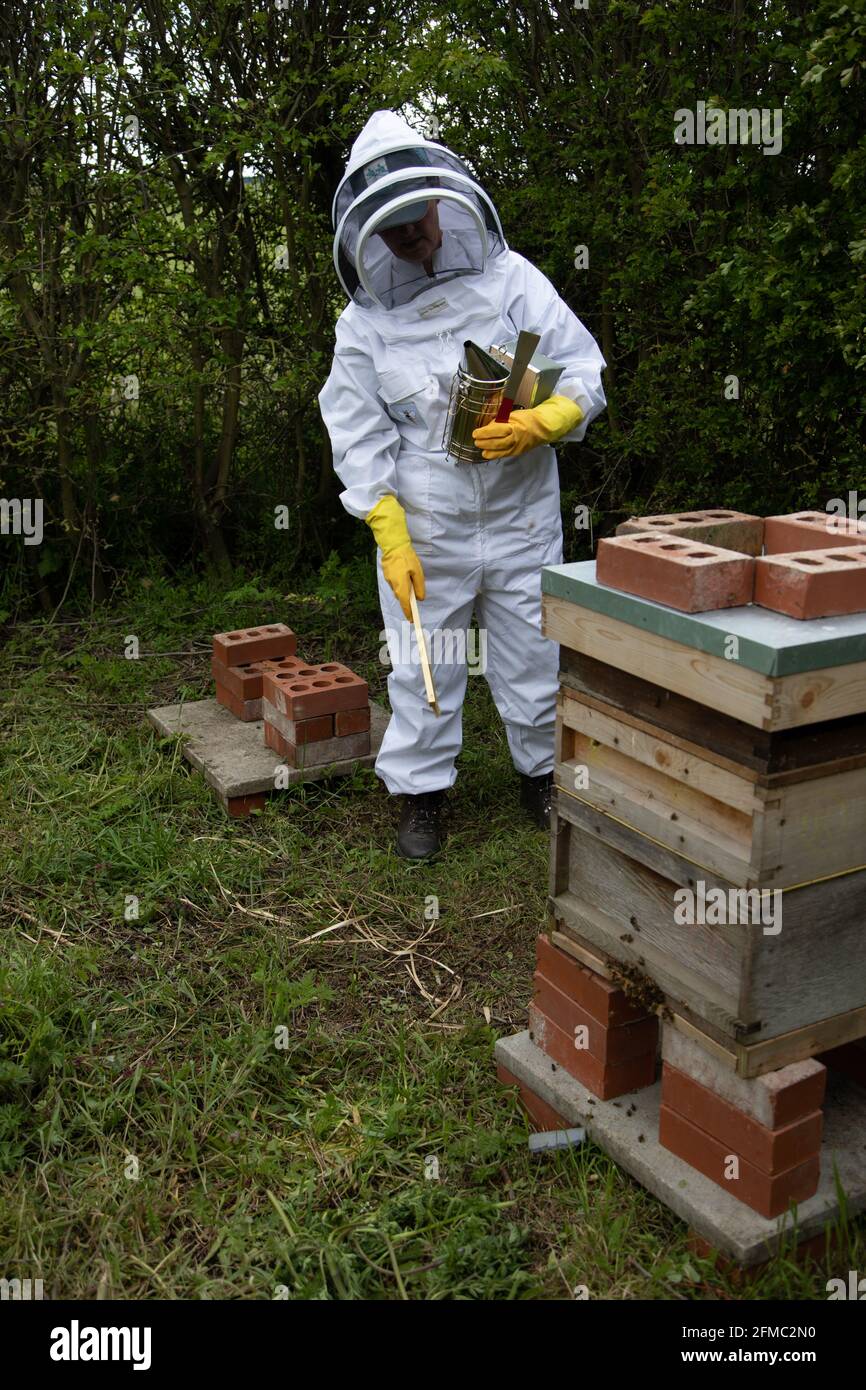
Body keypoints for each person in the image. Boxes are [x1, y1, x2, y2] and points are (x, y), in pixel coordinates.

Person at [319, 110, 606, 860]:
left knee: (534, 650)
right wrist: (389, 531)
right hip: (429, 521)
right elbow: (356, 430)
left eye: (417, 223)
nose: (410, 240)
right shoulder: (364, 324)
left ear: (443, 204)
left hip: (521, 512)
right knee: (423, 659)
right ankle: (421, 796)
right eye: (394, 232)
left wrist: (542, 421)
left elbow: (584, 370)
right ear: (369, 235)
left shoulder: (512, 280)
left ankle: (542, 777)